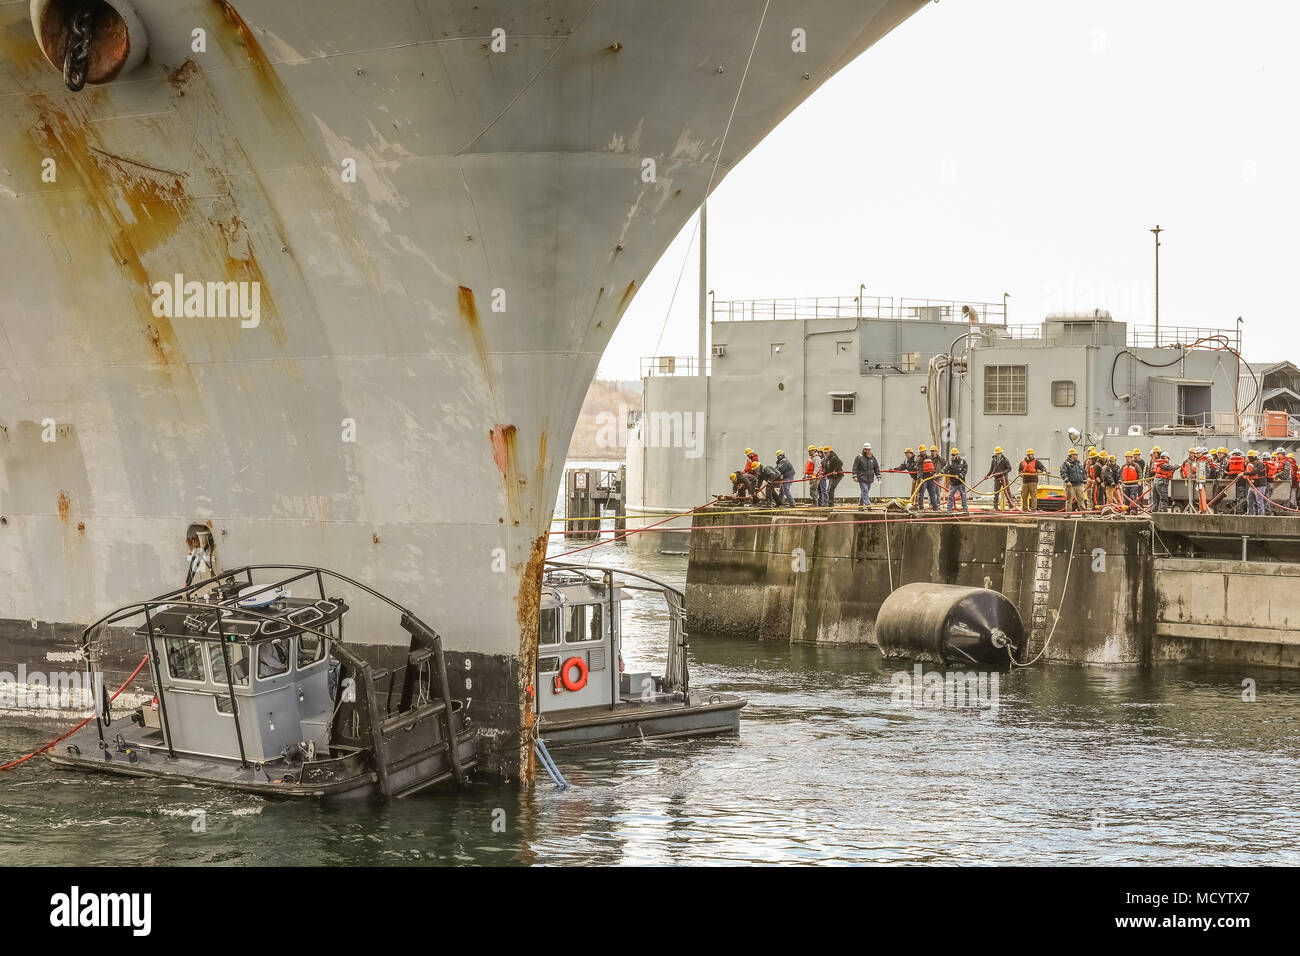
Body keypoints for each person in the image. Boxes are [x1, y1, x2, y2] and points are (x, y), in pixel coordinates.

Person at [852, 442, 882, 509]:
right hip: (862, 478)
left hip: (870, 478)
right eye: (866, 449)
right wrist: (854, 475)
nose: (868, 451)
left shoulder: (872, 458)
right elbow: (855, 467)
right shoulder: (859, 457)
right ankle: (868, 506)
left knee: (864, 492)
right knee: (865, 491)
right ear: (864, 449)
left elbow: (876, 467)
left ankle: (860, 506)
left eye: (869, 449)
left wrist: (878, 476)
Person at [985, 446, 1013, 510]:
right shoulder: (993, 460)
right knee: (996, 493)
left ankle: (1011, 506)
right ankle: (995, 507)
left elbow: (1009, 468)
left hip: (1004, 479)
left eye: (999, 453)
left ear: (1001, 453)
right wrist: (987, 475)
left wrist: (1002, 473)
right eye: (997, 453)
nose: (998, 454)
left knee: (1007, 492)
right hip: (996, 479)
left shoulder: (1005, 460)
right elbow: (991, 469)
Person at [944, 448, 969, 513]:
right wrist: (940, 473)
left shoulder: (963, 462)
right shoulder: (950, 462)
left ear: (957, 455)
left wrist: (960, 475)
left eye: (954, 455)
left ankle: (965, 508)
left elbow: (965, 470)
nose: (952, 456)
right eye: (952, 455)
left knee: (963, 495)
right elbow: (945, 468)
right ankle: (949, 509)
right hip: (953, 483)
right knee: (950, 496)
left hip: (961, 482)